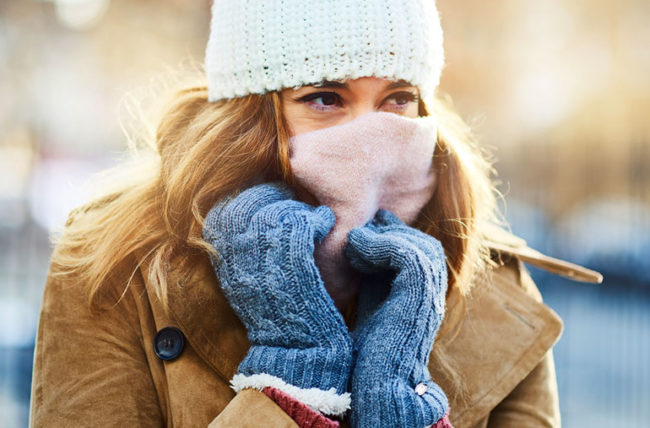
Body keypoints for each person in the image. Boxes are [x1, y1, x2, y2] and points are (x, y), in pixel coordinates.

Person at [29, 1, 603, 427]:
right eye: (325, 98)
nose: (370, 136)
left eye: (397, 99)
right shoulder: (116, 265)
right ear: (249, 116)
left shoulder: (494, 289)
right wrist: (290, 382)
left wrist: (401, 406)